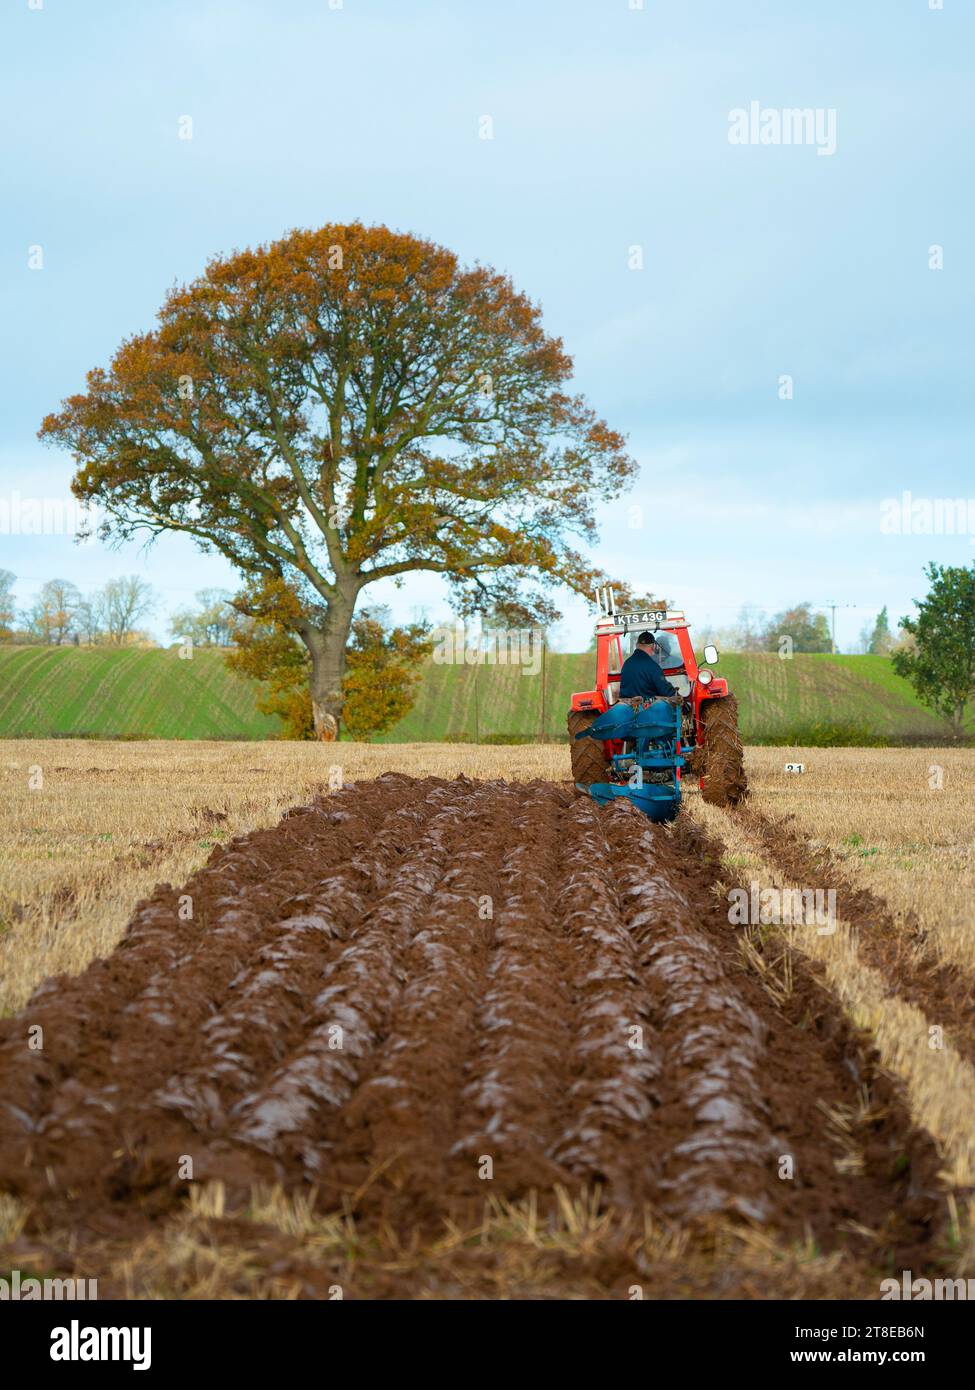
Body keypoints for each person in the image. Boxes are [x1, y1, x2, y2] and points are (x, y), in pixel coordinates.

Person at [617, 631, 678, 703]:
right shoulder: (653, 666)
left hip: (627, 710)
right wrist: (677, 696)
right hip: (647, 711)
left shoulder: (626, 664)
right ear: (654, 646)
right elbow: (665, 691)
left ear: (637, 645)